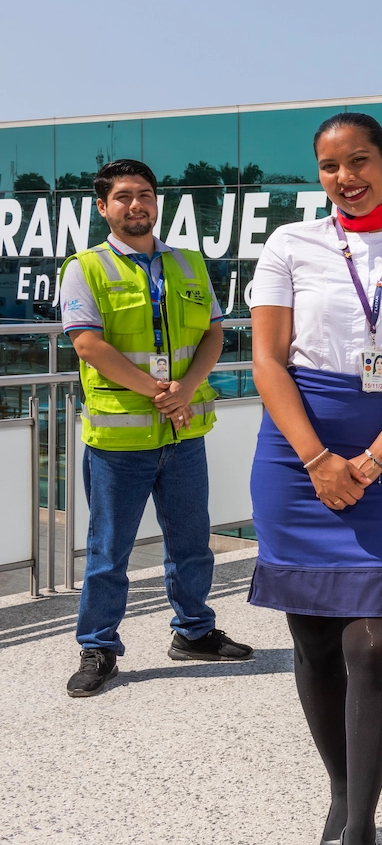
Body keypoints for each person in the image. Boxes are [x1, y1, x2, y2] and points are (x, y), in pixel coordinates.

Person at [248, 112, 382, 845]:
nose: (347, 178)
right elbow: (269, 361)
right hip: (294, 450)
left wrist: (371, 460)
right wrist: (316, 459)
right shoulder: (290, 244)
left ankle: (361, 827)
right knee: (312, 644)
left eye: (360, 161)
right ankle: (343, 793)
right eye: (331, 167)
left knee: (372, 644)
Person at [60, 158, 252, 697]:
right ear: (103, 207)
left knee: (192, 544)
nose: (135, 204)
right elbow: (88, 344)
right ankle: (98, 646)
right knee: (109, 552)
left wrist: (185, 390)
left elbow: (214, 333)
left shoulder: (189, 263)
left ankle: (193, 632)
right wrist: (162, 393)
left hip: (183, 435)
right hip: (120, 443)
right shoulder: (86, 268)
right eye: (123, 197)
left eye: (144, 194)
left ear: (156, 202)